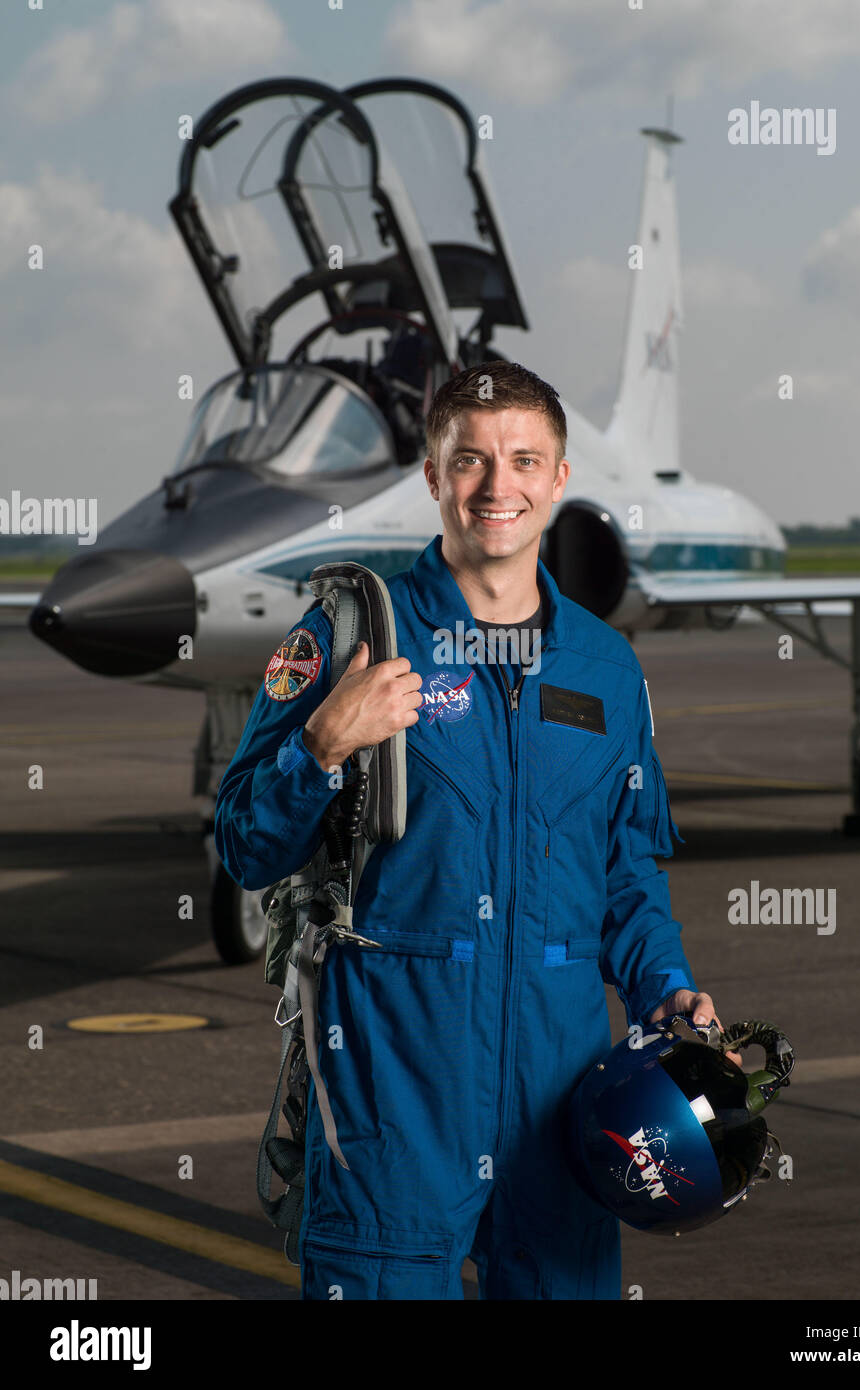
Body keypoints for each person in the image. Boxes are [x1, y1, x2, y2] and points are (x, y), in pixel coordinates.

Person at [215, 359, 738, 1300]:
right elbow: (248, 845)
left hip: (565, 1109)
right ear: (430, 475)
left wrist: (665, 988)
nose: (498, 488)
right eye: (470, 461)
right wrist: (322, 747)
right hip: (395, 1102)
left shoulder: (607, 668)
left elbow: (622, 877)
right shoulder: (348, 636)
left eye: (524, 461)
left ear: (558, 480)